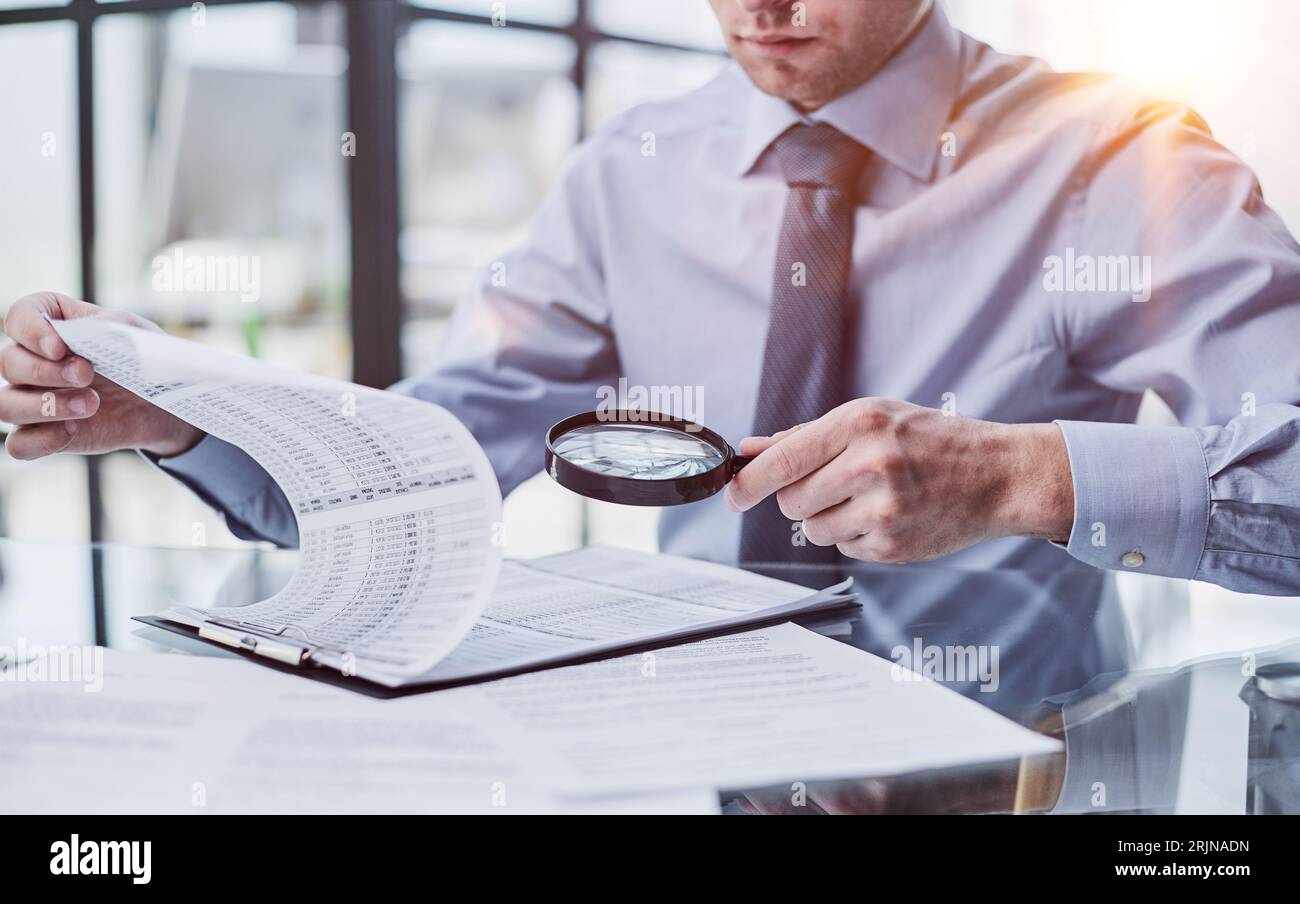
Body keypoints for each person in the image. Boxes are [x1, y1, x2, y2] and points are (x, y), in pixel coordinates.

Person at [3, 0, 1299, 594]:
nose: (761, 5)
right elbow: (411, 476)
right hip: (689, 761)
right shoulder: (630, 176)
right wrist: (170, 412)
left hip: (1021, 772)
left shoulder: (1116, 160)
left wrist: (1030, 480)